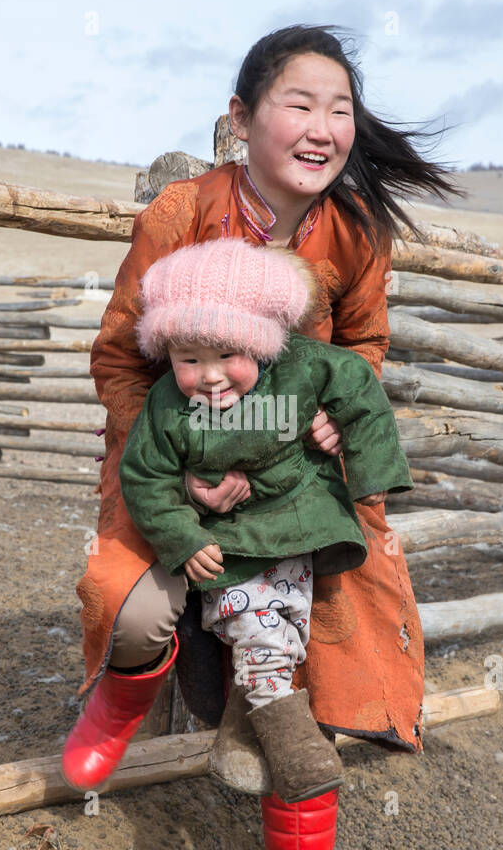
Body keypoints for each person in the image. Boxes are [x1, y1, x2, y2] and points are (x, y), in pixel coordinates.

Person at [64, 23, 466, 850]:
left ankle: (296, 819)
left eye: (340, 110)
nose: (324, 129)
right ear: (242, 118)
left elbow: (364, 343)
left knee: (343, 621)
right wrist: (180, 473)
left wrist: (337, 418)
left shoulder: (355, 229)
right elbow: (118, 356)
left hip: (296, 471)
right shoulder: (181, 213)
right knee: (128, 599)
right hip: (171, 459)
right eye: (301, 105)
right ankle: (119, 699)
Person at [117, 237, 414, 806]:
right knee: (257, 621)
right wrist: (182, 535)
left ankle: (242, 728)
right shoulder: (166, 406)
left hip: (298, 518)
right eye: (188, 360)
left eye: (228, 354)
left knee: (287, 620)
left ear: (260, 343)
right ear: (167, 352)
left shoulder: (301, 367)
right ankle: (294, 746)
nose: (209, 376)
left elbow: (359, 388)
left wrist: (372, 470)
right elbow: (146, 476)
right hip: (229, 537)